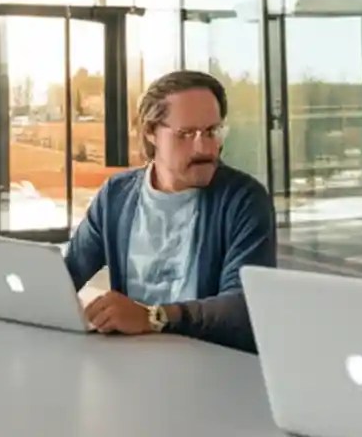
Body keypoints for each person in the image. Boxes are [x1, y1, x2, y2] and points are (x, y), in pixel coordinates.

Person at [65, 70, 275, 351]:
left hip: (209, 361)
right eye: (185, 134)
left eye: (212, 132)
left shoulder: (243, 200)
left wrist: (153, 317)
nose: (204, 148)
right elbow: (68, 274)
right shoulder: (116, 195)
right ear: (151, 132)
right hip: (132, 357)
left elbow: (244, 305)